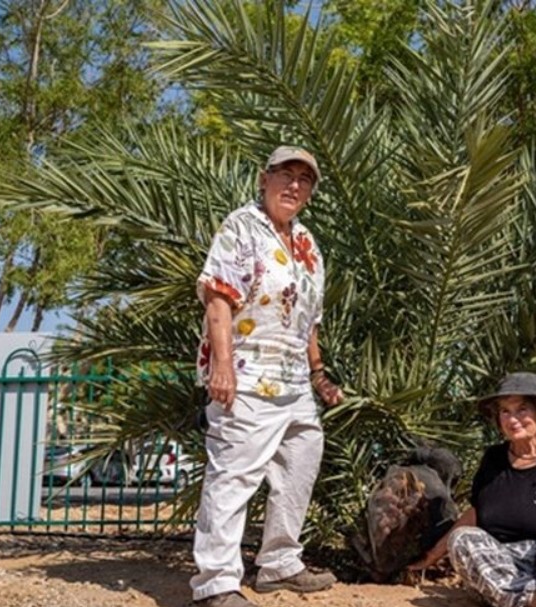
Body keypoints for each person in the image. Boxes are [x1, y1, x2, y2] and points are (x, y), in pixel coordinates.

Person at [191, 146, 344, 607]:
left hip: (294, 379)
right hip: (246, 371)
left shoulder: (307, 245)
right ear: (265, 179)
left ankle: (278, 565)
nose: (294, 185)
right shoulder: (242, 226)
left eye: (305, 180)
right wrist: (221, 367)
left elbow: (308, 320)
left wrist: (319, 376)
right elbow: (219, 297)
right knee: (234, 475)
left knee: (301, 461)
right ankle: (215, 585)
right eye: (286, 175)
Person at [409, 373, 536, 607]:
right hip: (503, 569)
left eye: (522, 409)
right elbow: (475, 514)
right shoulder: (493, 459)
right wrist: (432, 555)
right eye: (505, 411)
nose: (513, 419)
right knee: (461, 538)